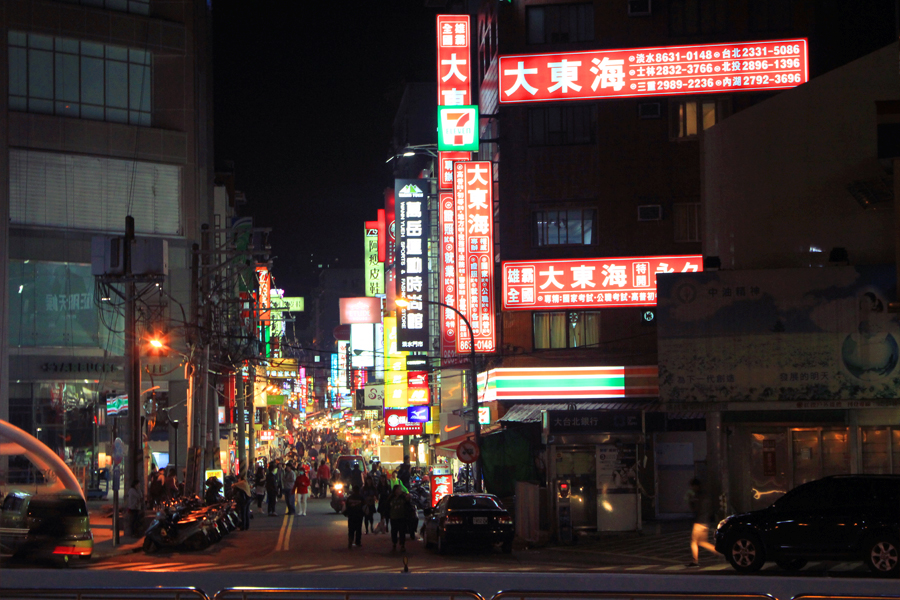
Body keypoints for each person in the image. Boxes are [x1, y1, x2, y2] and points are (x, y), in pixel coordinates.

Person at [686, 478, 719, 567]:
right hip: (705, 521)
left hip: (699, 521)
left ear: (695, 486)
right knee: (702, 542)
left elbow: (695, 509)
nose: (692, 488)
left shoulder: (698, 496)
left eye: (692, 486)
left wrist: (690, 502)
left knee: (693, 542)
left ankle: (695, 561)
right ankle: (716, 551)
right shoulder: (706, 495)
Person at [389, 484, 409, 552]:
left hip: (401, 517)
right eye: (398, 489)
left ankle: (402, 545)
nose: (399, 490)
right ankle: (394, 544)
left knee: (402, 531)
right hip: (393, 517)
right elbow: (387, 507)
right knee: (394, 531)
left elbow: (408, 505)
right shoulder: (391, 498)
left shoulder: (403, 498)